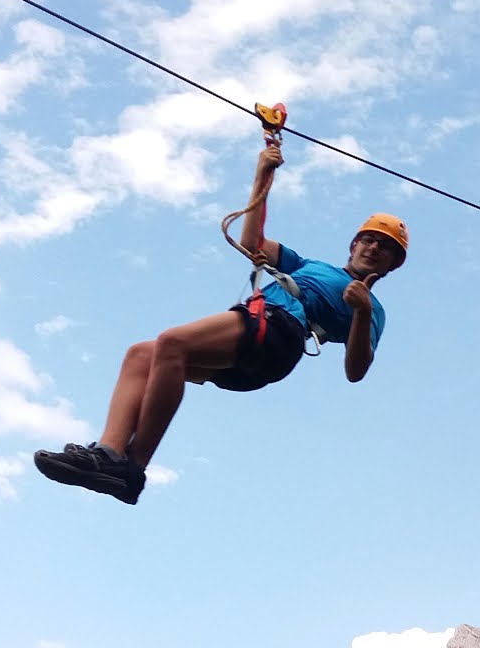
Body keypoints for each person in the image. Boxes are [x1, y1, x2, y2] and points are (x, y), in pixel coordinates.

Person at [32, 142, 409, 504]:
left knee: (172, 343)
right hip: (256, 339)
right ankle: (109, 452)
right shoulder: (309, 265)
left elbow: (357, 370)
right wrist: (263, 174)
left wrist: (359, 311)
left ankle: (132, 467)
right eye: (369, 240)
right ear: (354, 244)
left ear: (392, 265)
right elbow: (252, 242)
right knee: (142, 354)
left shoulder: (373, 309)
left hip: (279, 335)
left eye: (386, 248)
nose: (375, 249)